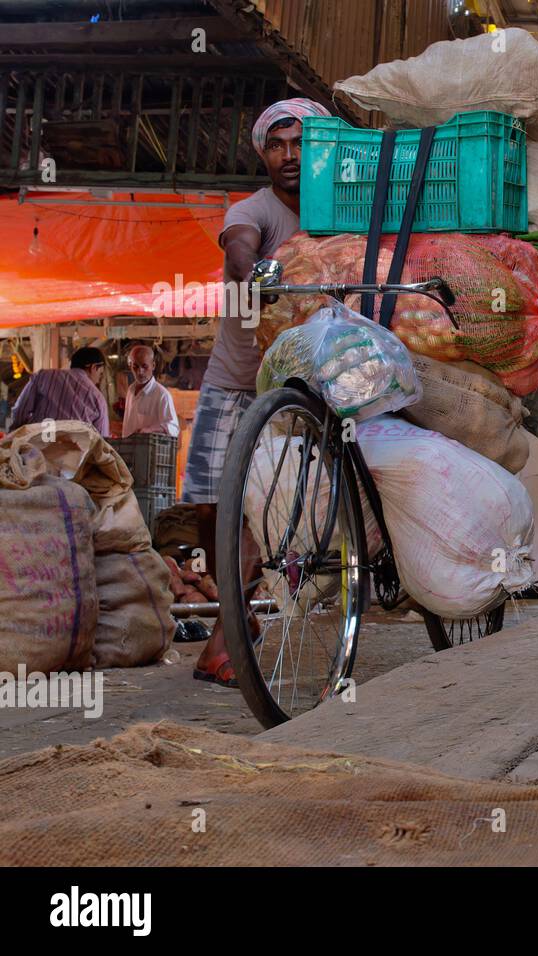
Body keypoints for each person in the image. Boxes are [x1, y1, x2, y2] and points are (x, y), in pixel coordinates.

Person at [184, 96, 331, 688]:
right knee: (207, 508)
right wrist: (254, 276)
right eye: (277, 144)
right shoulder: (255, 208)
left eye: (299, 143)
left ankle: (227, 639)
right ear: (263, 152)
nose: (289, 155)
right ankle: (236, 615)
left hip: (303, 388)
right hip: (235, 382)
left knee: (259, 515)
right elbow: (239, 247)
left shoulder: (336, 210)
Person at [9, 346, 110, 436]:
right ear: (93, 368)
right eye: (100, 374)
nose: (98, 380)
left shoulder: (44, 376)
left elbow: (20, 411)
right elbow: (102, 442)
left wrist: (17, 436)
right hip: (76, 455)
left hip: (36, 450)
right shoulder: (98, 398)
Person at [121, 344, 180, 438]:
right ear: (130, 366)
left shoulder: (162, 395)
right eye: (135, 366)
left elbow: (173, 428)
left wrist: (150, 430)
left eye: (145, 366)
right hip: (129, 450)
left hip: (149, 451)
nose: (140, 372)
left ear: (153, 365)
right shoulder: (130, 390)